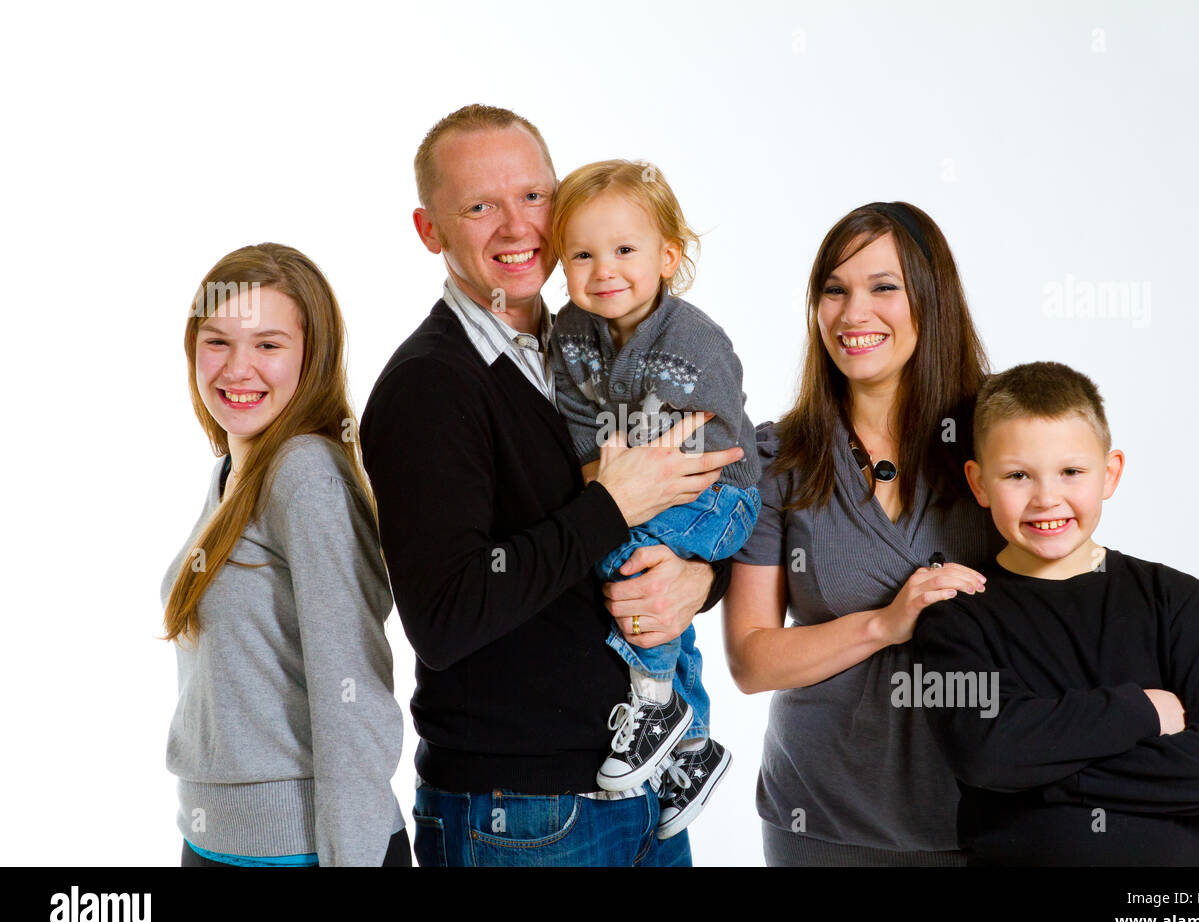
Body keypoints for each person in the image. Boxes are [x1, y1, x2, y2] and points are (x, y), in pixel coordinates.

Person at [359, 105, 743, 866]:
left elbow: (667, 505)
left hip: (645, 792)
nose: (517, 227)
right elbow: (442, 619)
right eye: (479, 206)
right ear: (429, 229)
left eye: (533, 196)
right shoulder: (427, 387)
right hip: (521, 817)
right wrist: (608, 506)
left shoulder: (588, 346)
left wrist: (702, 576)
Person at [725, 201, 1002, 865]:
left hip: (984, 816)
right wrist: (885, 623)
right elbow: (752, 659)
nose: (854, 315)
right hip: (821, 821)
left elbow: (1065, 570)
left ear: (931, 299)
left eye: (883, 288)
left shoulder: (1000, 435)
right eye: (834, 290)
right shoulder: (779, 458)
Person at [911, 361, 1199, 865]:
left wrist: (1041, 775)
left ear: (1110, 473)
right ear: (979, 483)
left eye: (1071, 472)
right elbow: (988, 754)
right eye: (1017, 476)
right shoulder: (957, 614)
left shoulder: (1174, 597)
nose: (1047, 497)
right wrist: (1140, 711)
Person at [160, 243, 409, 867]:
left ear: (311, 355)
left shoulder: (305, 474)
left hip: (299, 850)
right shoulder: (232, 470)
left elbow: (348, 687)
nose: (237, 368)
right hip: (216, 841)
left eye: (268, 345)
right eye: (217, 341)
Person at [549, 159, 761, 837]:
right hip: (647, 481)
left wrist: (624, 480)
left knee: (628, 553)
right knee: (627, 544)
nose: (603, 269)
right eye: (581, 254)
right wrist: (602, 476)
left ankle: (657, 700)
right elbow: (582, 430)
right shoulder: (572, 335)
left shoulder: (693, 341)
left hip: (715, 490)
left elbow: (712, 441)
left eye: (624, 251)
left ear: (668, 257)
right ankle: (691, 751)